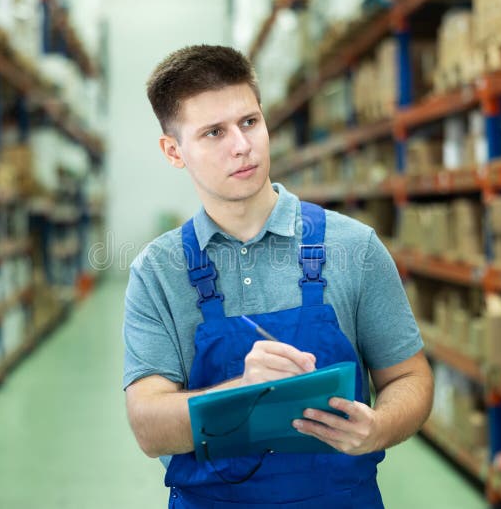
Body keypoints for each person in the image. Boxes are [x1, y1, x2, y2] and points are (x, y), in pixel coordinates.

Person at [123, 44, 433, 508]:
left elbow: (409, 375)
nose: (242, 145)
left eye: (249, 122)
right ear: (174, 151)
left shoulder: (354, 247)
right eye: (213, 133)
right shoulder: (157, 271)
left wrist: (379, 428)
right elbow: (147, 425)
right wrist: (242, 393)